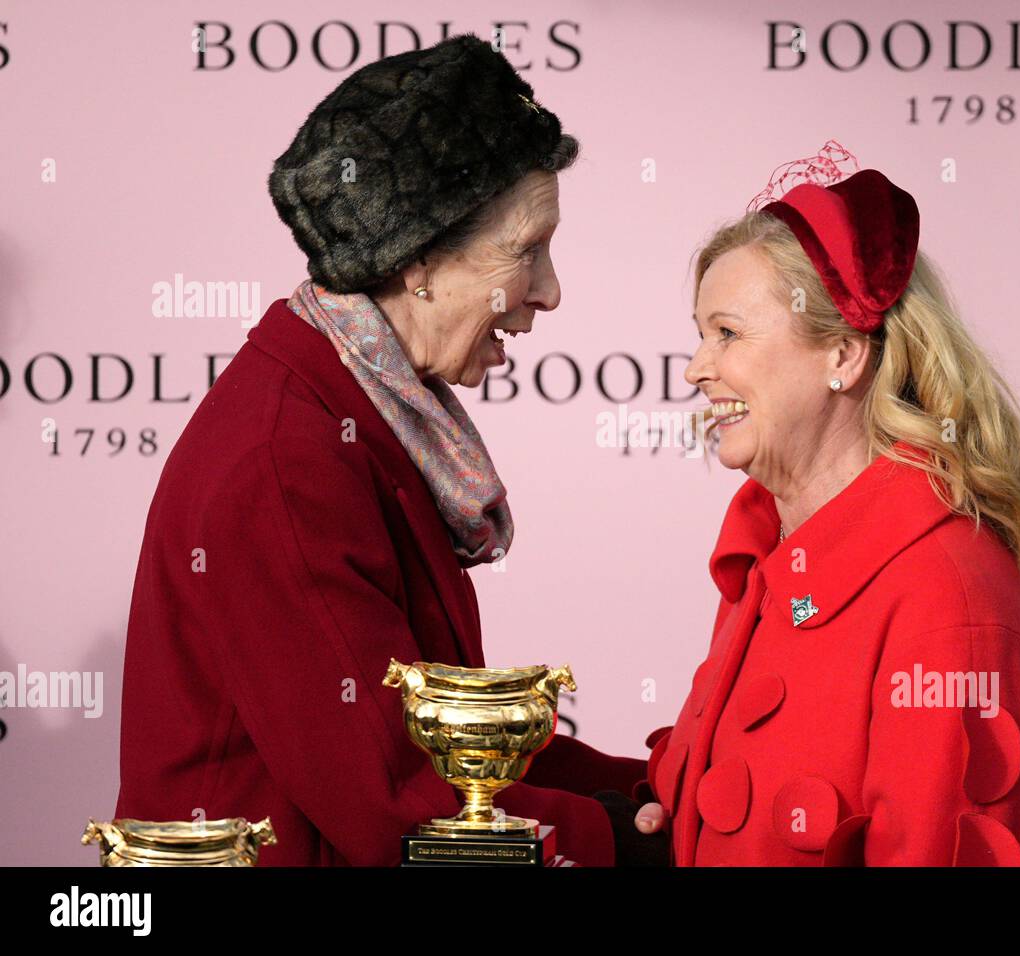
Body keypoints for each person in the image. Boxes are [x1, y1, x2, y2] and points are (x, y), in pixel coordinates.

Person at [115, 34, 664, 867]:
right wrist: (624, 839)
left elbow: (437, 736)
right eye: (527, 250)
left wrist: (647, 790)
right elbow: (397, 799)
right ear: (418, 262)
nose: (549, 291)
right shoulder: (288, 459)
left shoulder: (355, 409)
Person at [629, 143, 1020, 866]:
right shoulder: (768, 555)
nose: (696, 367)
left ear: (843, 355)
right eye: (700, 334)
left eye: (727, 333)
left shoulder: (943, 593)